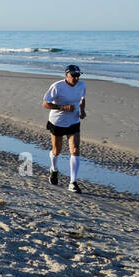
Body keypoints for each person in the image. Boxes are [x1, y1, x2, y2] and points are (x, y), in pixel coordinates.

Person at [43, 64, 87, 192]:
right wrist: (62, 108)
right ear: (66, 75)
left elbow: (82, 99)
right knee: (57, 150)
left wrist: (82, 111)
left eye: (78, 75)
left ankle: (73, 182)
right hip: (57, 122)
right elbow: (45, 103)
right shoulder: (57, 86)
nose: (76, 78)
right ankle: (54, 169)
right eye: (74, 75)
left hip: (74, 121)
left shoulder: (82, 85)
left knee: (75, 149)